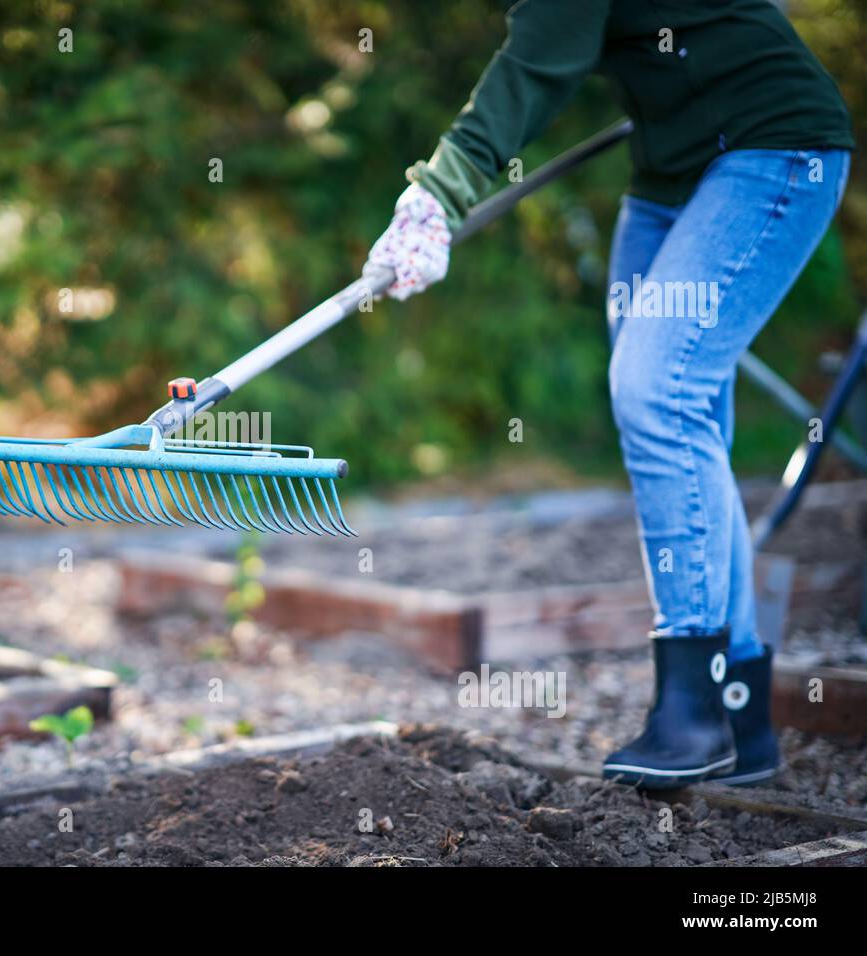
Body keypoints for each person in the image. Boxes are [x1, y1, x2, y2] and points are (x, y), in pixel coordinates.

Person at [366, 0, 854, 788]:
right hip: (671, 177)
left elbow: (538, 57)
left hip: (770, 148)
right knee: (680, 408)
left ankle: (691, 712)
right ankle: (740, 716)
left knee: (656, 390)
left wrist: (436, 196)